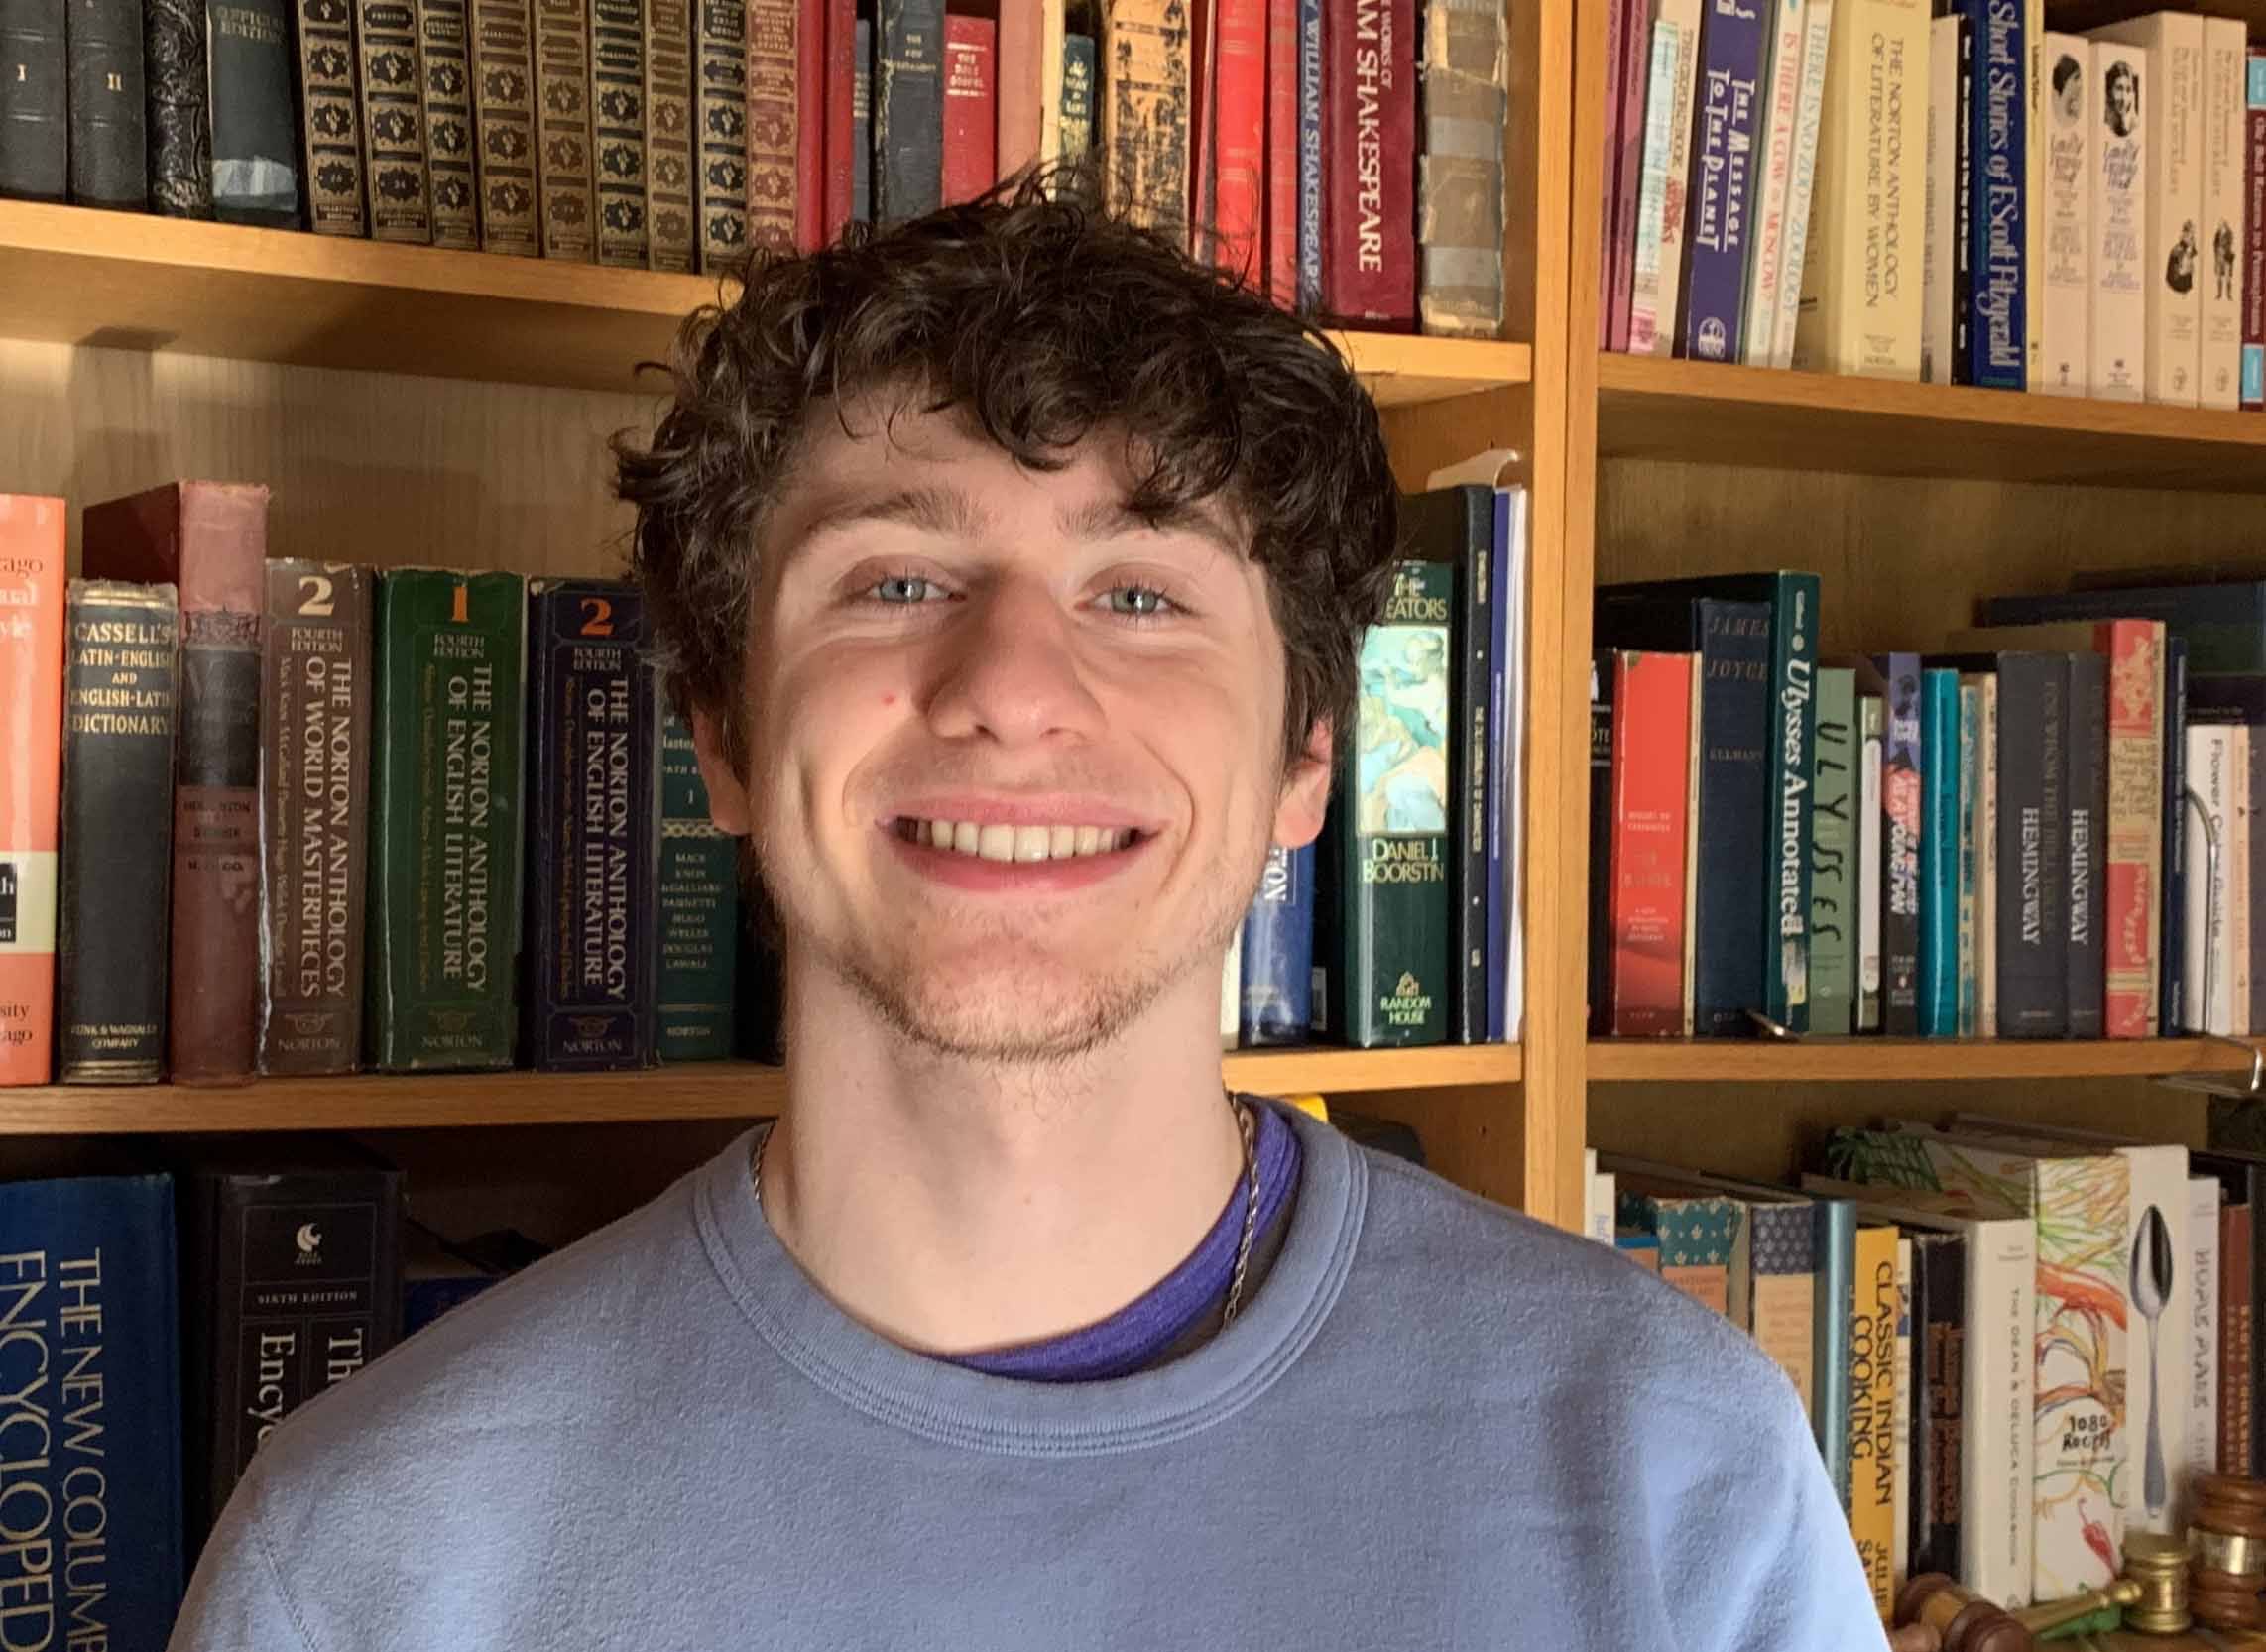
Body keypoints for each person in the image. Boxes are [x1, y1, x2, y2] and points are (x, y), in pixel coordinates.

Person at [168, 184, 1883, 1651]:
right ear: (718, 732)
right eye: (897, 577)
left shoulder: (1675, 1476)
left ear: (1305, 755)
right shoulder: (376, 1560)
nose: (1008, 687)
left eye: (1137, 591)